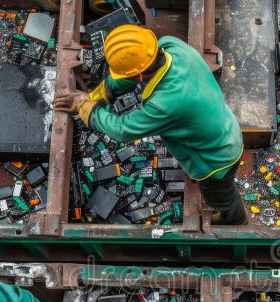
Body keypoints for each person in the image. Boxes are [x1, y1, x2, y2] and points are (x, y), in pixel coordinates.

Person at [53, 25, 247, 225]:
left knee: (220, 197)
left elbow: (122, 130)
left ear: (138, 76)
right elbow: (132, 77)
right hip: (226, 127)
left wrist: (86, 109)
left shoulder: (165, 104)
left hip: (216, 160)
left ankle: (235, 220)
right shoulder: (172, 45)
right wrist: (99, 95)